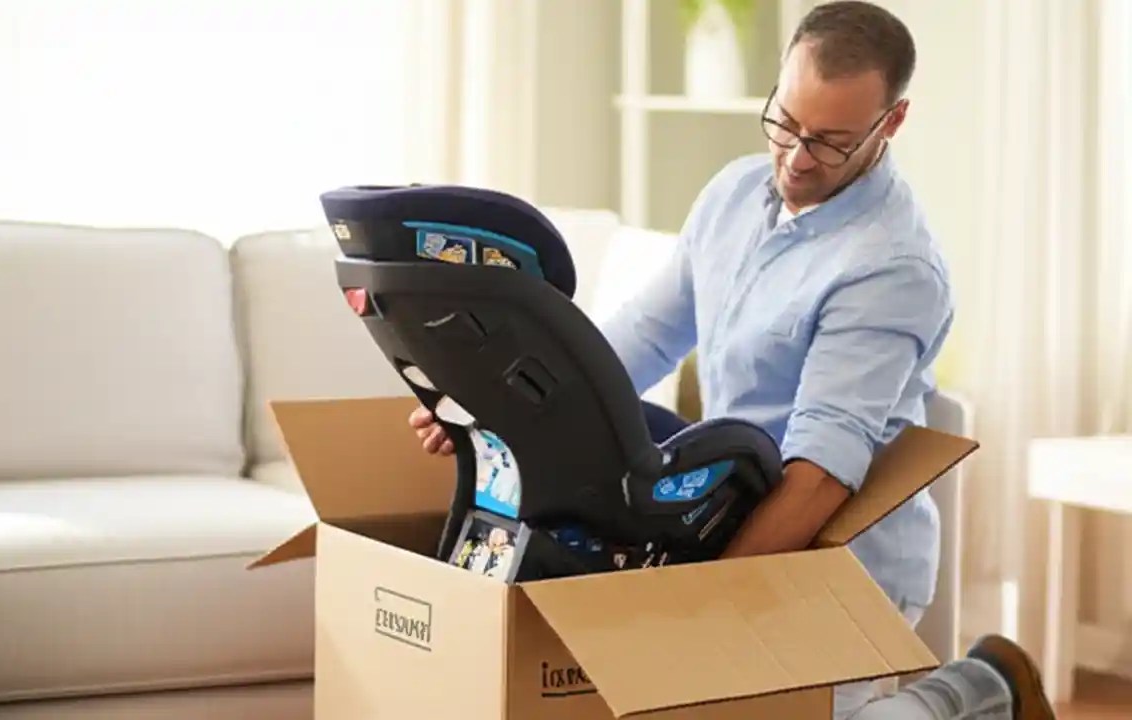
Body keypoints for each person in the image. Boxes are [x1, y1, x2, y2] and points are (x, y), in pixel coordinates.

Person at [409, 2, 1055, 717]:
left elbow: (818, 478)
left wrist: (709, 605)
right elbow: (639, 339)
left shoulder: (890, 267)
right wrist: (498, 410)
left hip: (842, 559)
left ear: (890, 123)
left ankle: (979, 685)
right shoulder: (732, 195)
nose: (797, 158)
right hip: (730, 515)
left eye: (831, 142)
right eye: (785, 122)